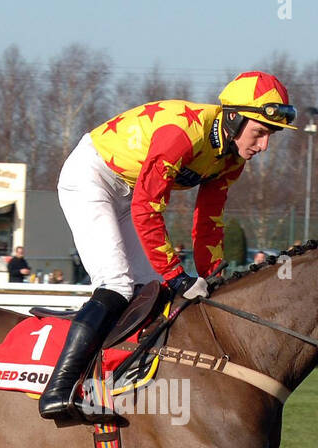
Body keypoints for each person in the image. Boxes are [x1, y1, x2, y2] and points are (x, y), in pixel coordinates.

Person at [40, 70, 295, 421]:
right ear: (234, 118)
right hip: (92, 176)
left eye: (271, 136)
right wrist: (177, 275)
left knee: (150, 292)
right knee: (116, 284)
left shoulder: (232, 158)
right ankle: (59, 388)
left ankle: (114, 380)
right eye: (260, 132)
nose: (264, 146)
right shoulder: (183, 133)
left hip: (128, 189)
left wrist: (212, 277)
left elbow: (209, 221)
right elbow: (148, 208)